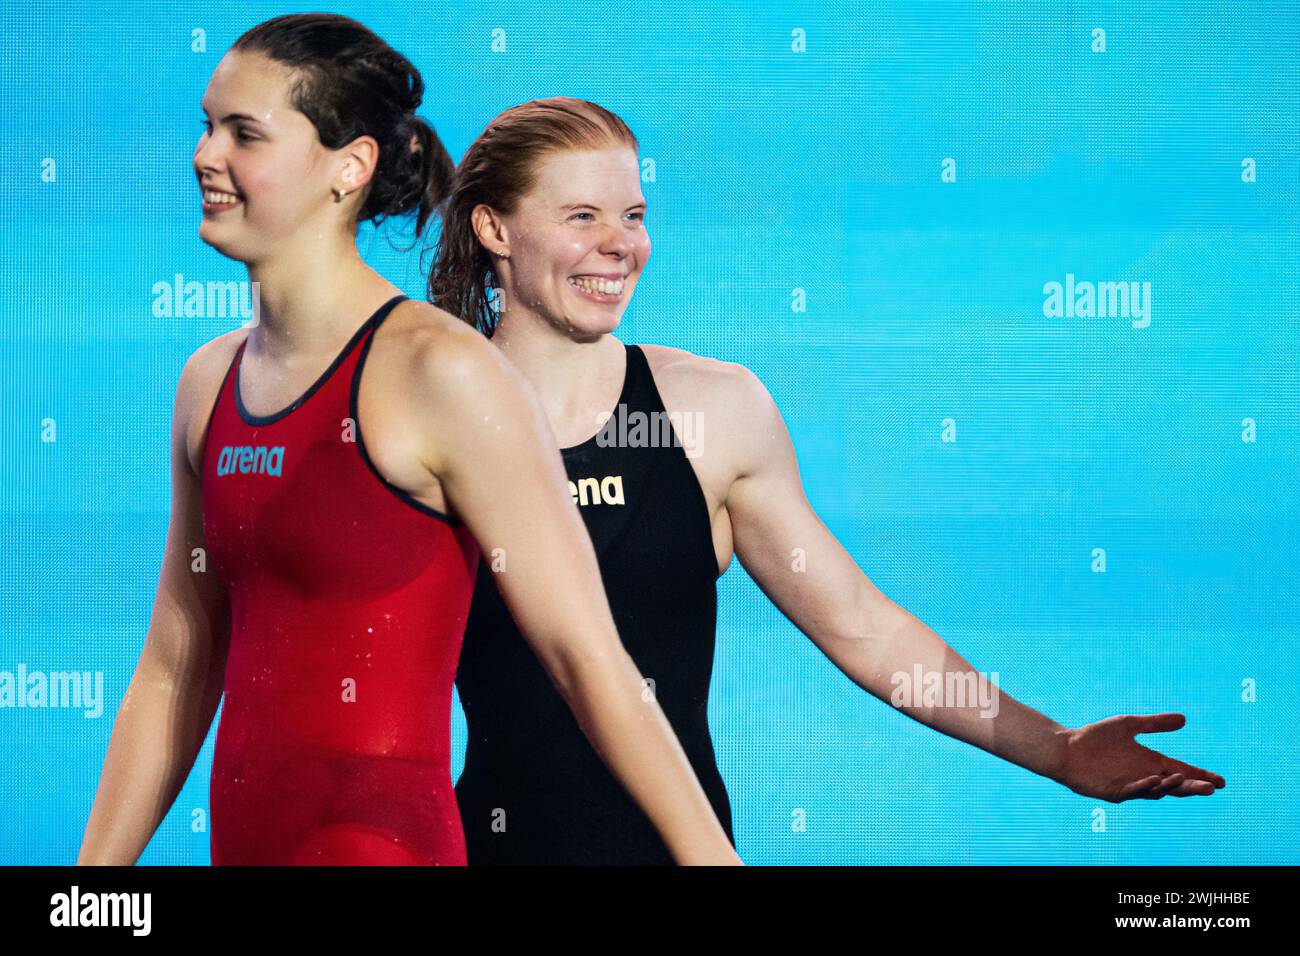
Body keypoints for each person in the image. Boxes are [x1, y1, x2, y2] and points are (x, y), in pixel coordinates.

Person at [430, 97, 1227, 865]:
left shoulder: (712, 411)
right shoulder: (429, 423)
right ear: (495, 227)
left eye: (633, 217)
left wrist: (1055, 749)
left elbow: (862, 627)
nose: (620, 244)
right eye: (583, 217)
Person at [77, 17, 739, 866]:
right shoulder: (208, 383)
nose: (207, 155)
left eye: (244, 134)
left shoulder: (441, 372)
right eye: (207, 126)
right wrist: (85, 891)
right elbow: (176, 662)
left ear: (347, 169)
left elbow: (588, 657)